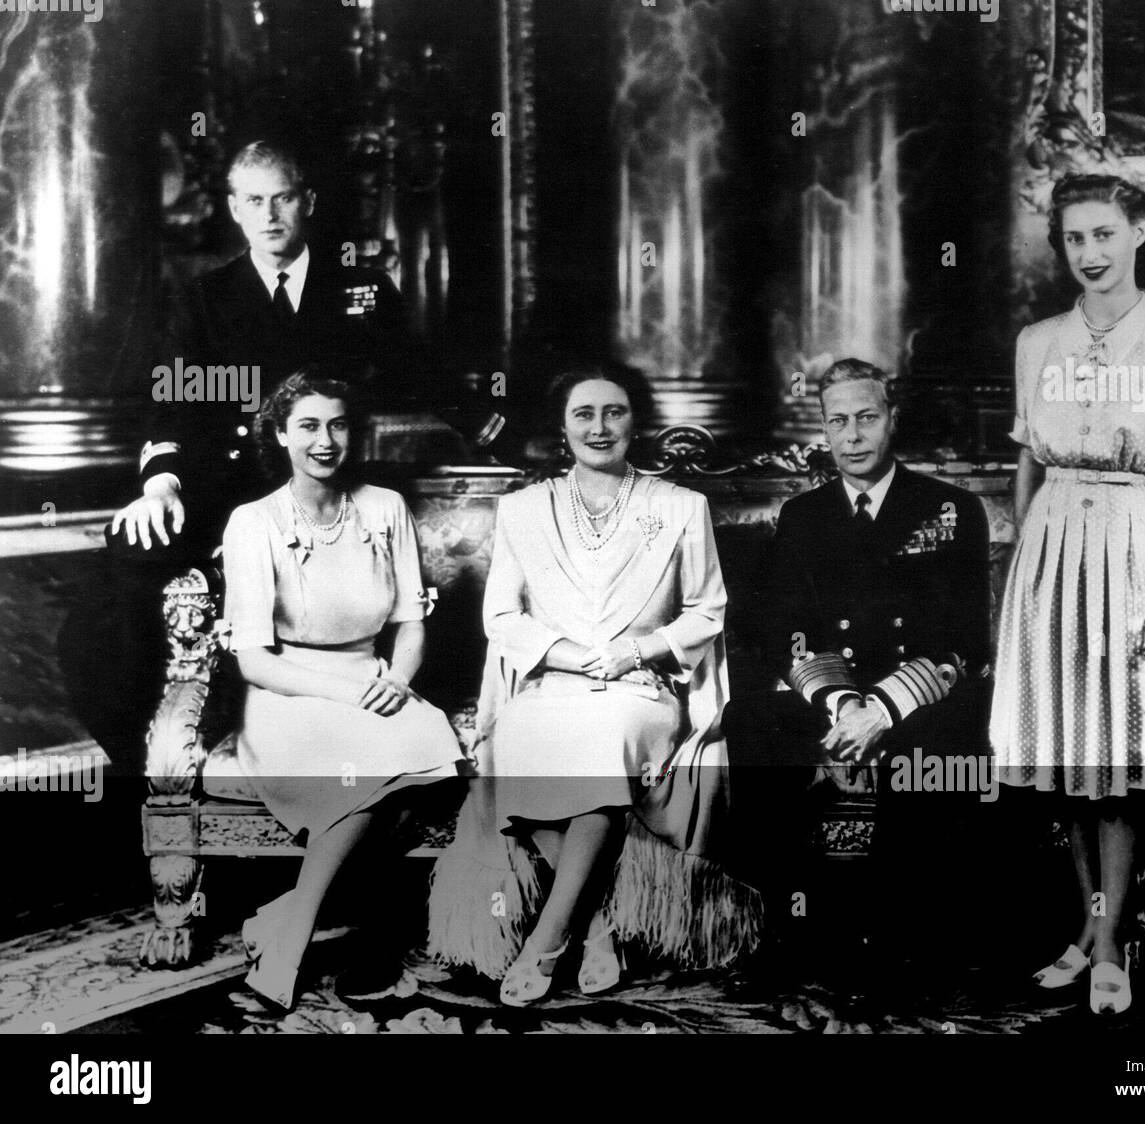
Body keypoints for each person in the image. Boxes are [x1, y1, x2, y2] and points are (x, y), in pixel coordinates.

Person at [59, 140, 413, 774]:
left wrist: (506, 433)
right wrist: (161, 483)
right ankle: (150, 763)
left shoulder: (359, 286)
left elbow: (429, 379)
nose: (270, 214)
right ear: (234, 208)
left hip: (321, 492)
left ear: (307, 201)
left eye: (282, 197)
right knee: (110, 596)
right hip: (221, 492)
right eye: (254, 200)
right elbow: (172, 398)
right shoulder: (205, 297)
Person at [426, 364, 762, 1005]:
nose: (599, 427)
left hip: (641, 689)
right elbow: (500, 616)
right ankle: (598, 925)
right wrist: (571, 656)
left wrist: (637, 651)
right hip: (551, 682)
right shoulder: (523, 509)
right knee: (521, 734)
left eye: (614, 412)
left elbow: (708, 610)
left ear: (636, 421)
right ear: (562, 426)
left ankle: (547, 938)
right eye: (584, 414)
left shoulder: (680, 506)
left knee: (607, 735)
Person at [991, 174, 1145, 1017]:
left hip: (1134, 546)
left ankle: (1112, 945)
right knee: (1064, 755)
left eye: (1103, 234)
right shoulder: (1037, 339)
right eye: (1073, 239)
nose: (1088, 253)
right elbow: (1025, 463)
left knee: (1116, 761)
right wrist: (1028, 561)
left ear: (1139, 231)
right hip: (1053, 549)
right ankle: (1086, 927)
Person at [723, 359, 991, 990]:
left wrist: (883, 710)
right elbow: (789, 633)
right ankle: (786, 924)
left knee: (940, 746)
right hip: (836, 697)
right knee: (751, 720)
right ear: (823, 428)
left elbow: (963, 641)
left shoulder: (949, 508)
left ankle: (900, 939)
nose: (852, 435)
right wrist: (843, 705)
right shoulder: (803, 515)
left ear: (891, 420)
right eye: (837, 421)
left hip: (917, 698)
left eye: (866, 417)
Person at [223, 369, 463, 1010]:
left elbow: (411, 621)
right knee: (377, 769)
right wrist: (346, 697)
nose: (324, 440)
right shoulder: (253, 521)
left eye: (336, 424)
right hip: (287, 693)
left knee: (435, 772)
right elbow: (252, 660)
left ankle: (281, 917)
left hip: (371, 679)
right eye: (307, 425)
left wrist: (398, 678)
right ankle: (295, 939)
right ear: (279, 434)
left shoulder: (384, 506)